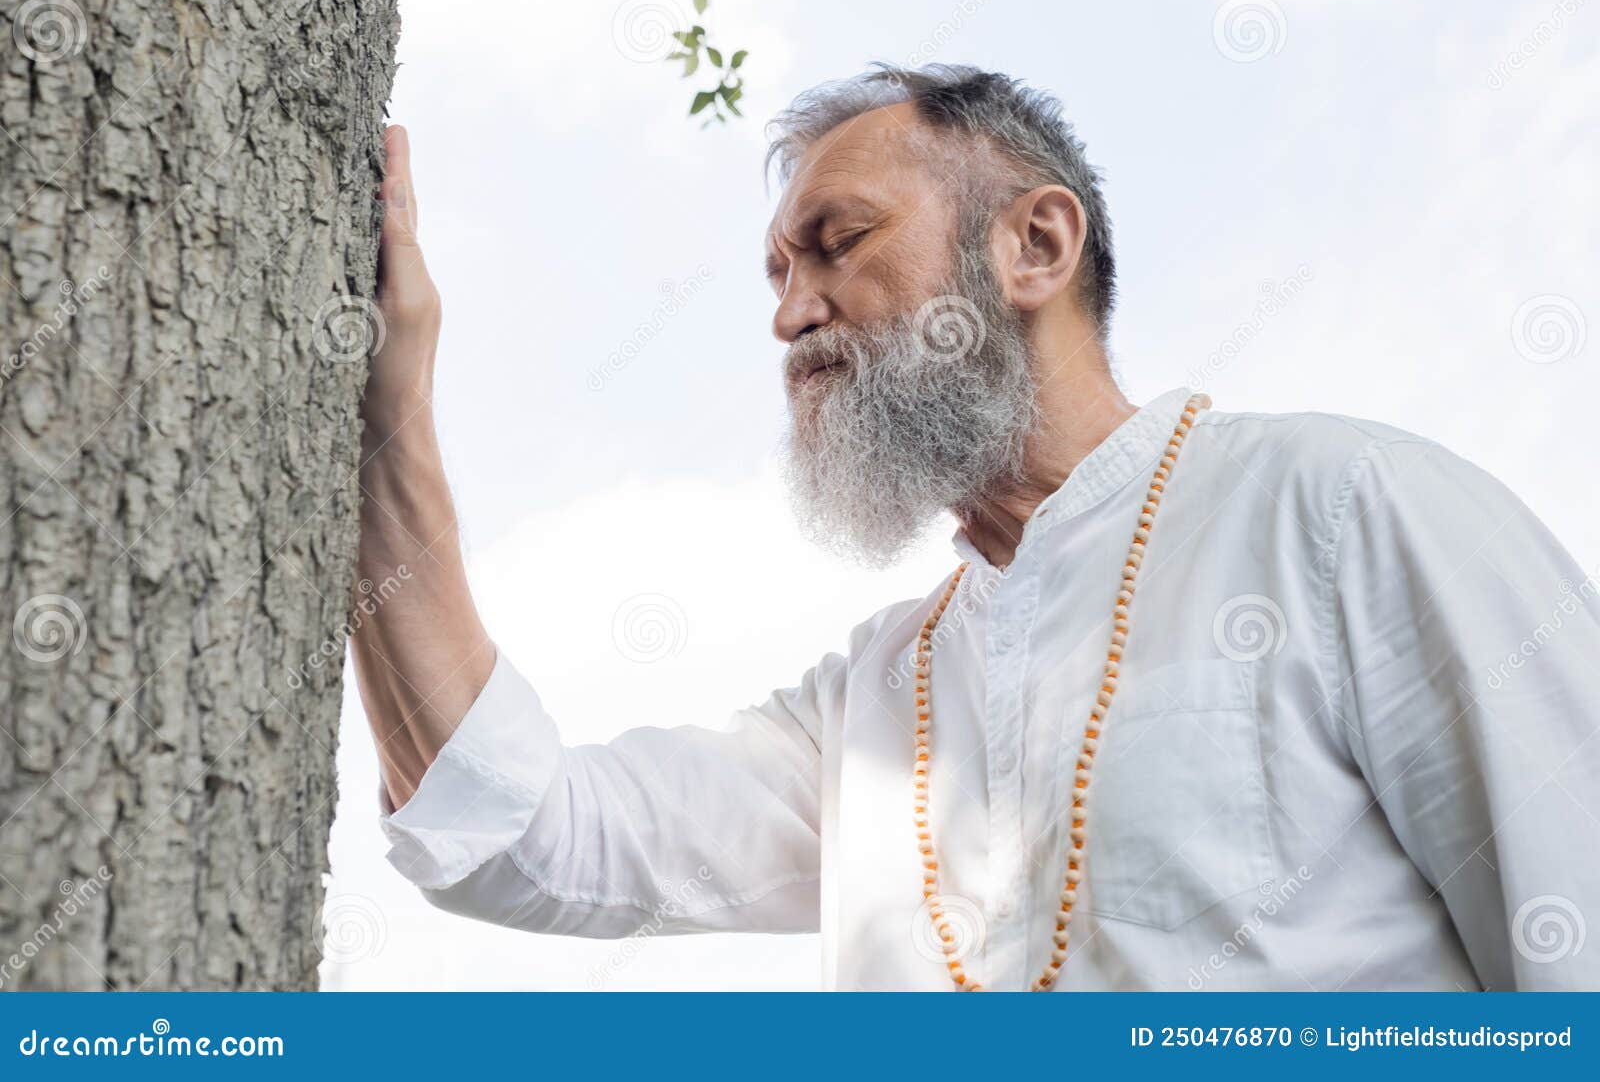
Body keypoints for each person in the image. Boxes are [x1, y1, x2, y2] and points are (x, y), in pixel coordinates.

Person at [352, 64, 1599, 990]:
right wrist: (383, 421)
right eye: (776, 277)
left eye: (835, 245)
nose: (790, 316)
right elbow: (518, 833)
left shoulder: (1339, 509)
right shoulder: (873, 697)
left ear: (1034, 245)